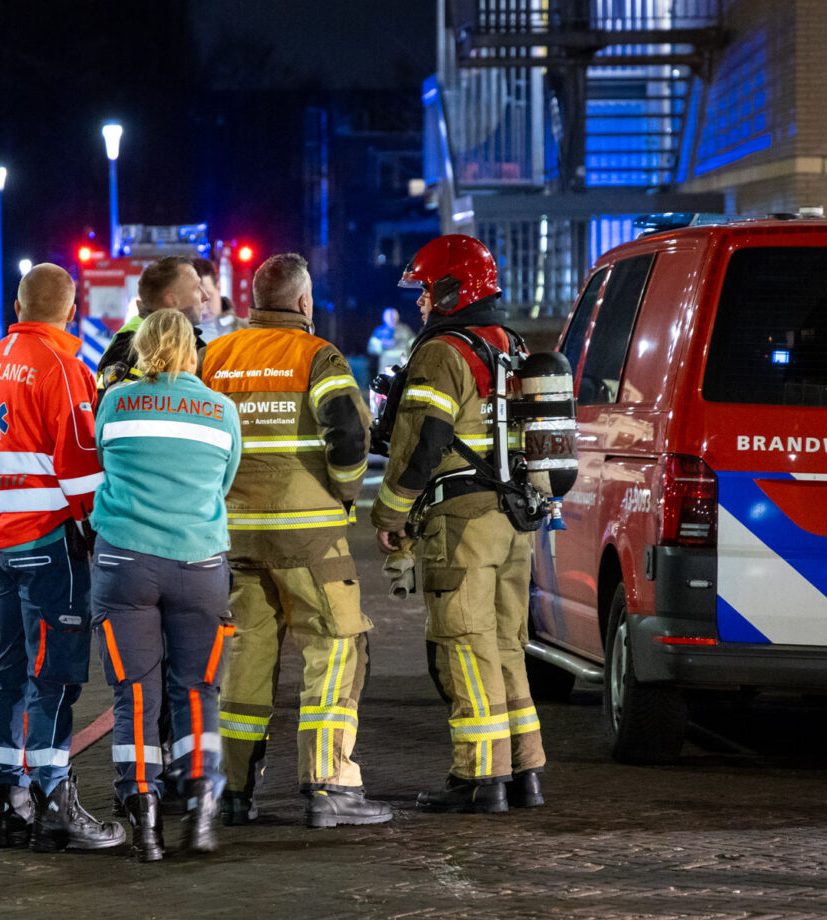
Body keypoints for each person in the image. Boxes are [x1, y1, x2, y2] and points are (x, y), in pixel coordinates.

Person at [200, 252, 392, 829]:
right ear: (304, 302)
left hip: (232, 534)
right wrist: (346, 491)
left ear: (255, 301)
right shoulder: (317, 355)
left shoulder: (216, 355)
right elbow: (349, 432)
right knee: (334, 647)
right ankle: (329, 786)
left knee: (246, 655)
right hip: (308, 538)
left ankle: (231, 791)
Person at [371, 234, 546, 814]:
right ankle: (526, 773)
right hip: (516, 520)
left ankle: (479, 779)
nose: (420, 302)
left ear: (451, 287)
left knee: (464, 647)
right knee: (505, 645)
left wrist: (392, 511)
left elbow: (423, 442)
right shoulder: (509, 344)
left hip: (461, 523)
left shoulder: (442, 352)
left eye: (424, 290)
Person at [0, 262, 125, 854]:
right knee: (52, 678)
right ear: (72, 307)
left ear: (18, 303)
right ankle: (55, 799)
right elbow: (80, 467)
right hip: (50, 543)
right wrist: (94, 527)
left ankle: (10, 803)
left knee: (8, 674)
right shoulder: (63, 366)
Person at [90, 309, 242, 861]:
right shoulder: (221, 411)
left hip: (125, 562)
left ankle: (144, 819)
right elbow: (224, 483)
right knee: (197, 689)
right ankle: (202, 811)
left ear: (140, 349)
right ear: (192, 351)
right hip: (199, 566)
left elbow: (104, 459)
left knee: (134, 693)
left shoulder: (114, 403)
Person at [95, 255, 208, 390]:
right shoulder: (129, 348)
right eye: (196, 288)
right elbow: (118, 406)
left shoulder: (190, 342)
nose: (205, 296)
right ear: (171, 300)